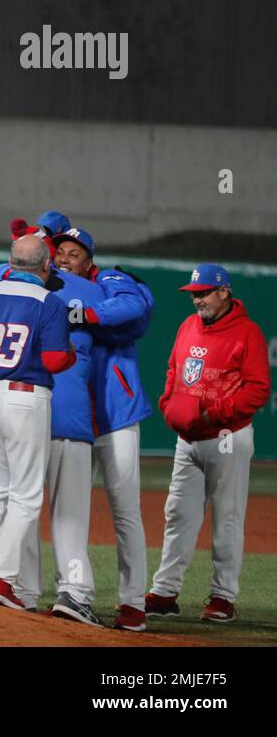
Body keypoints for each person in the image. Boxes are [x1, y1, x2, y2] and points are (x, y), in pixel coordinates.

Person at [0, 235, 74, 610]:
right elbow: (55, 360)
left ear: (10, 262)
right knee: (24, 494)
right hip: (24, 397)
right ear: (46, 266)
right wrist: (70, 355)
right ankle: (1, 580)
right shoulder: (49, 302)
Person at [147, 264, 268, 625]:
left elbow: (257, 389)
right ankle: (165, 592)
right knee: (178, 514)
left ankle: (222, 597)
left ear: (224, 292)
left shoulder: (247, 333)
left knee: (227, 518)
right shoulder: (188, 327)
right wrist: (168, 403)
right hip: (188, 439)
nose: (197, 299)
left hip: (226, 437)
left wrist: (215, 413)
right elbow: (174, 370)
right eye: (193, 293)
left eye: (203, 292)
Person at [51, 222, 154, 632]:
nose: (65, 258)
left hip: (115, 416)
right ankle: (70, 590)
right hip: (74, 418)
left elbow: (136, 308)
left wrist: (86, 312)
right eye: (60, 252)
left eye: (74, 253)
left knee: (125, 508)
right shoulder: (52, 287)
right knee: (67, 510)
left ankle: (132, 603)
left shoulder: (107, 279)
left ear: (89, 261)